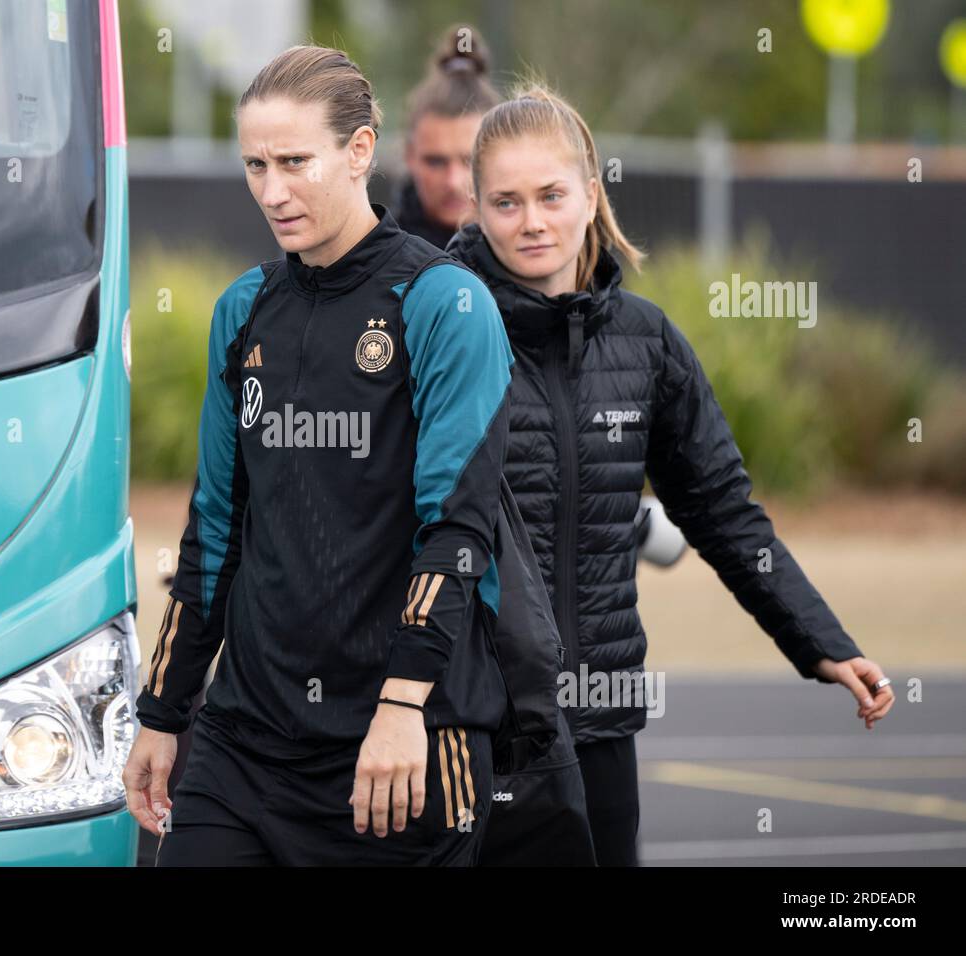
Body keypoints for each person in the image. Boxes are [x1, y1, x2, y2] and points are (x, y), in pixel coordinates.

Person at [447, 81, 896, 866]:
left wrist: (820, 639)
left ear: (591, 193)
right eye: (507, 202)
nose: (533, 222)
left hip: (599, 725)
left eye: (552, 195)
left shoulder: (648, 344)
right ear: (478, 208)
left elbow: (723, 511)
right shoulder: (440, 329)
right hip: (462, 724)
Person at [122, 45, 521, 866]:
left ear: (361, 152)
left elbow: (456, 529)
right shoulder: (244, 309)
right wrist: (163, 711)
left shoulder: (447, 303)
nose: (273, 190)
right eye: (255, 166)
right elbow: (214, 530)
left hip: (400, 741)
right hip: (242, 743)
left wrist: (403, 705)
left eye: (295, 162)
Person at [392, 24, 501, 251]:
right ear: (409, 156)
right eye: (435, 161)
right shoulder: (380, 255)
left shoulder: (536, 250)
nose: (453, 181)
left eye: (470, 161)